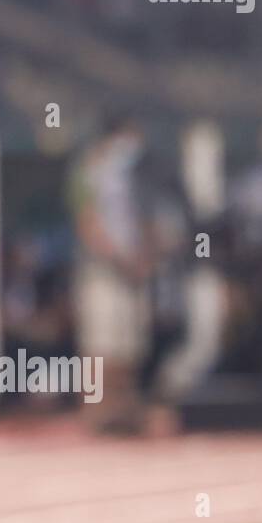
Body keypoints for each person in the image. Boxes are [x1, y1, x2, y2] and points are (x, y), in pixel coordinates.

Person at [69, 115, 153, 434]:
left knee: (128, 345)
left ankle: (123, 411)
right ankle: (96, 413)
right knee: (101, 345)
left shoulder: (134, 176)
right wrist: (116, 256)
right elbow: (87, 222)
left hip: (131, 272)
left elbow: (143, 219)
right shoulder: (87, 173)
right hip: (101, 272)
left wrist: (142, 257)